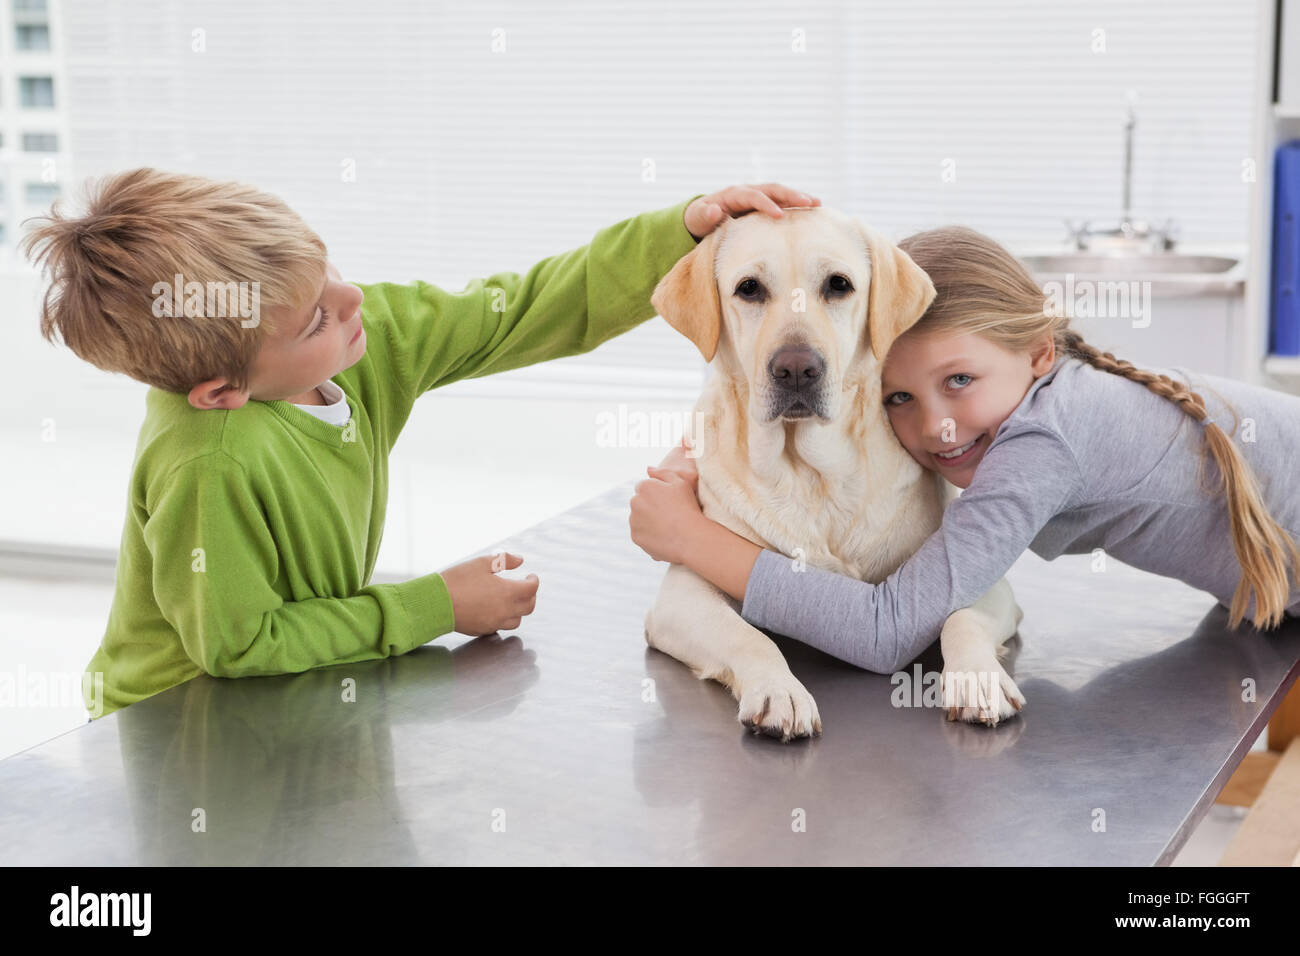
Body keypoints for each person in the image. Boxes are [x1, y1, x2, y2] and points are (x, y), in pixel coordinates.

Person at [23, 166, 819, 718]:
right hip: (178, 724)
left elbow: (527, 308)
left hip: (296, 690)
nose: (350, 297)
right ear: (223, 392)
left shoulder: (355, 332)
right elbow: (240, 646)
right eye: (312, 317)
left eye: (327, 268)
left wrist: (679, 233)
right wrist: (438, 603)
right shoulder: (211, 464)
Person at [628, 225, 1300, 673]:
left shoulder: (1043, 443)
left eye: (959, 381)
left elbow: (885, 632)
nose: (937, 428)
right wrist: (693, 455)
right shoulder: (1048, 396)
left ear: (1039, 353)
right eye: (900, 399)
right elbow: (774, 395)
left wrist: (690, 540)